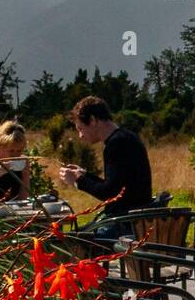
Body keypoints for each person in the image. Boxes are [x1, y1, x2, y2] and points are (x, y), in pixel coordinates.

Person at [57, 96, 153, 231]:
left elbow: (109, 193)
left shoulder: (117, 144)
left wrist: (78, 180)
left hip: (125, 224)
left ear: (92, 120)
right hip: (132, 219)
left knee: (71, 241)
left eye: (80, 128)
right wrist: (85, 175)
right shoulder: (125, 137)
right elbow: (115, 185)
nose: (80, 135)